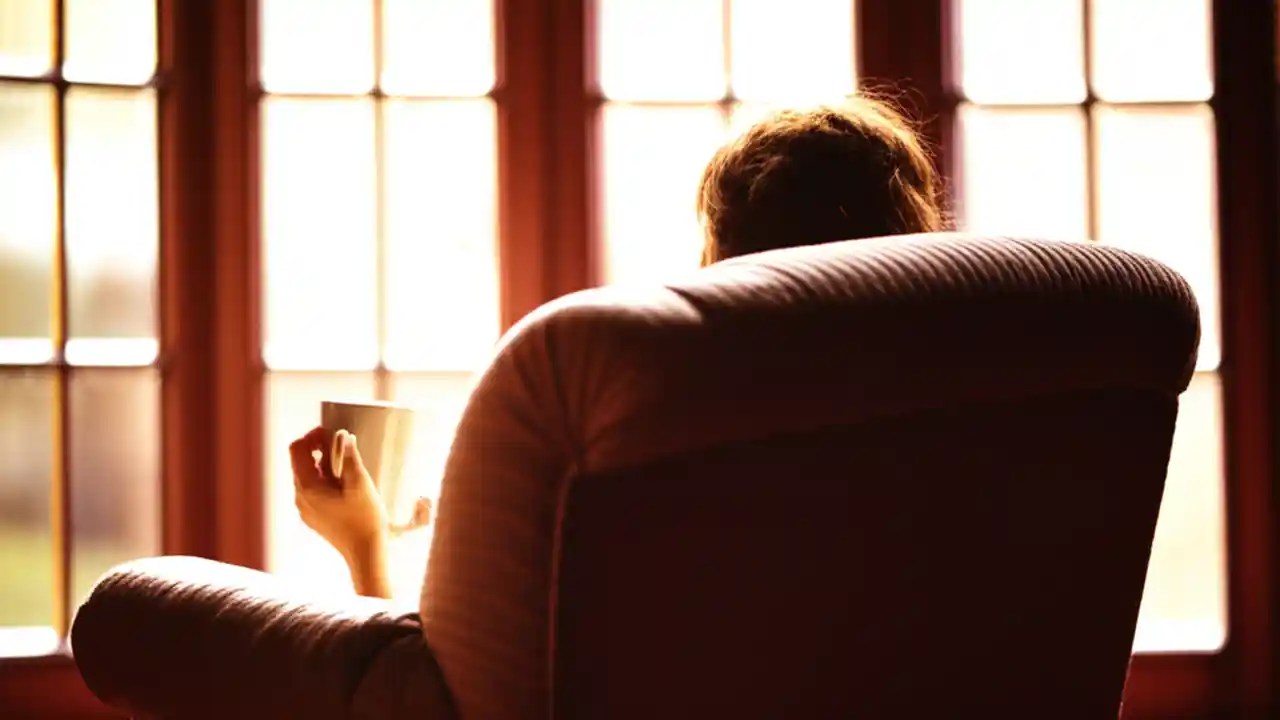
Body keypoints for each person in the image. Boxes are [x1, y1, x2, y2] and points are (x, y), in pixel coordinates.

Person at [290, 94, 949, 599]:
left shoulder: (666, 463)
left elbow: (454, 700)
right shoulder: (976, 429)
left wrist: (365, 545)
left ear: (725, 263)